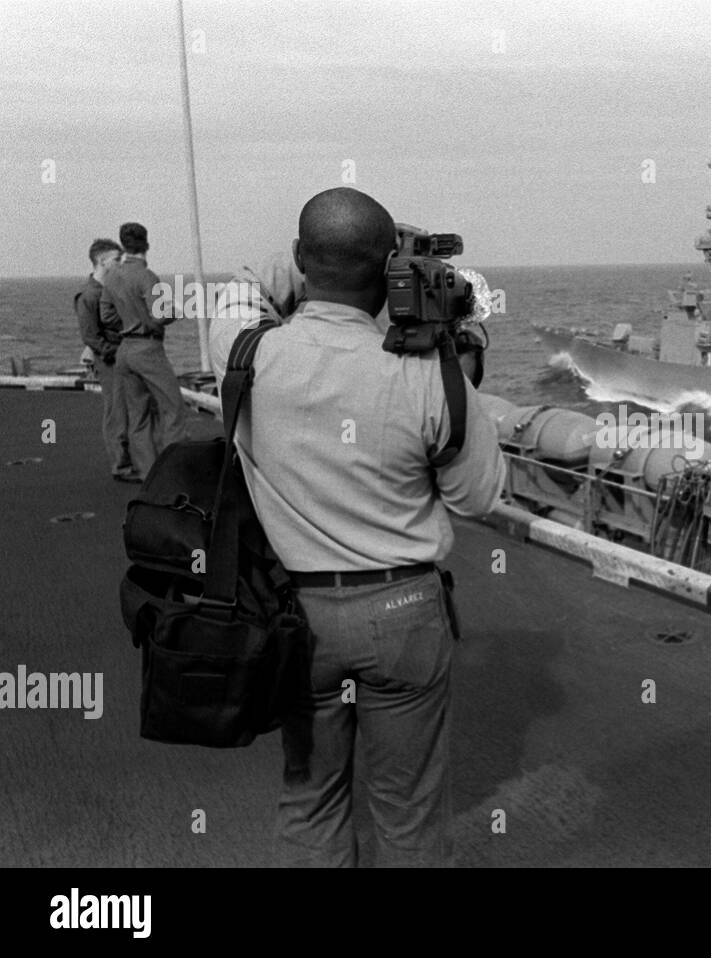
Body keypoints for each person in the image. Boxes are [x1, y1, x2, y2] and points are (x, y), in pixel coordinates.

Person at [209, 187, 505, 867]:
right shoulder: (430, 375)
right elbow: (479, 496)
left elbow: (244, 287)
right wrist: (457, 342)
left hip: (293, 617)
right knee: (410, 816)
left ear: (298, 258)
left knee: (309, 800)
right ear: (388, 275)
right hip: (402, 611)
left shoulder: (246, 356)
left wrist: (340, 250)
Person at [99, 222, 187, 478]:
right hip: (148, 349)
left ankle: (150, 475)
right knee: (173, 408)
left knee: (138, 416)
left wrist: (129, 323)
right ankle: (175, 472)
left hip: (125, 350)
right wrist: (174, 312)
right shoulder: (146, 276)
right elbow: (159, 315)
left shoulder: (112, 276)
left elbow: (106, 315)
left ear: (124, 245)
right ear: (146, 244)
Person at [74, 238, 138, 481]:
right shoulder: (89, 296)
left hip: (124, 355)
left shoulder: (111, 290)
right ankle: (121, 466)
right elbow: (90, 335)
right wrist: (115, 353)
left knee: (133, 408)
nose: (120, 264)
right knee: (117, 410)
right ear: (101, 261)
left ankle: (133, 460)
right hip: (111, 360)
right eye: (115, 260)